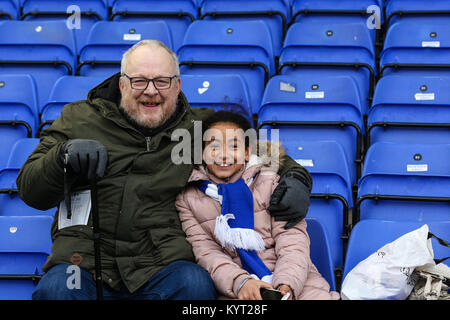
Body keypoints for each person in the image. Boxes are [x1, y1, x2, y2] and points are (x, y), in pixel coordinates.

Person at [16, 40, 313, 300]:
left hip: (160, 266)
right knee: (57, 289)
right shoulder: (78, 119)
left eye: (162, 81)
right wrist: (62, 157)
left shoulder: (197, 128)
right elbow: (31, 190)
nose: (151, 92)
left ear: (177, 85)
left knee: (194, 284)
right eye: (139, 81)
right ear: (121, 84)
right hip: (86, 263)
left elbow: (258, 152)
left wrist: (297, 178)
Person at [176, 111, 340, 300]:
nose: (223, 155)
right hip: (237, 288)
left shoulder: (271, 182)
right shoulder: (188, 198)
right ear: (202, 153)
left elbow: (293, 242)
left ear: (247, 153)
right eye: (214, 147)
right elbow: (206, 253)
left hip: (295, 280)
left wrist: (286, 283)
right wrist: (241, 283)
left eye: (234, 146)